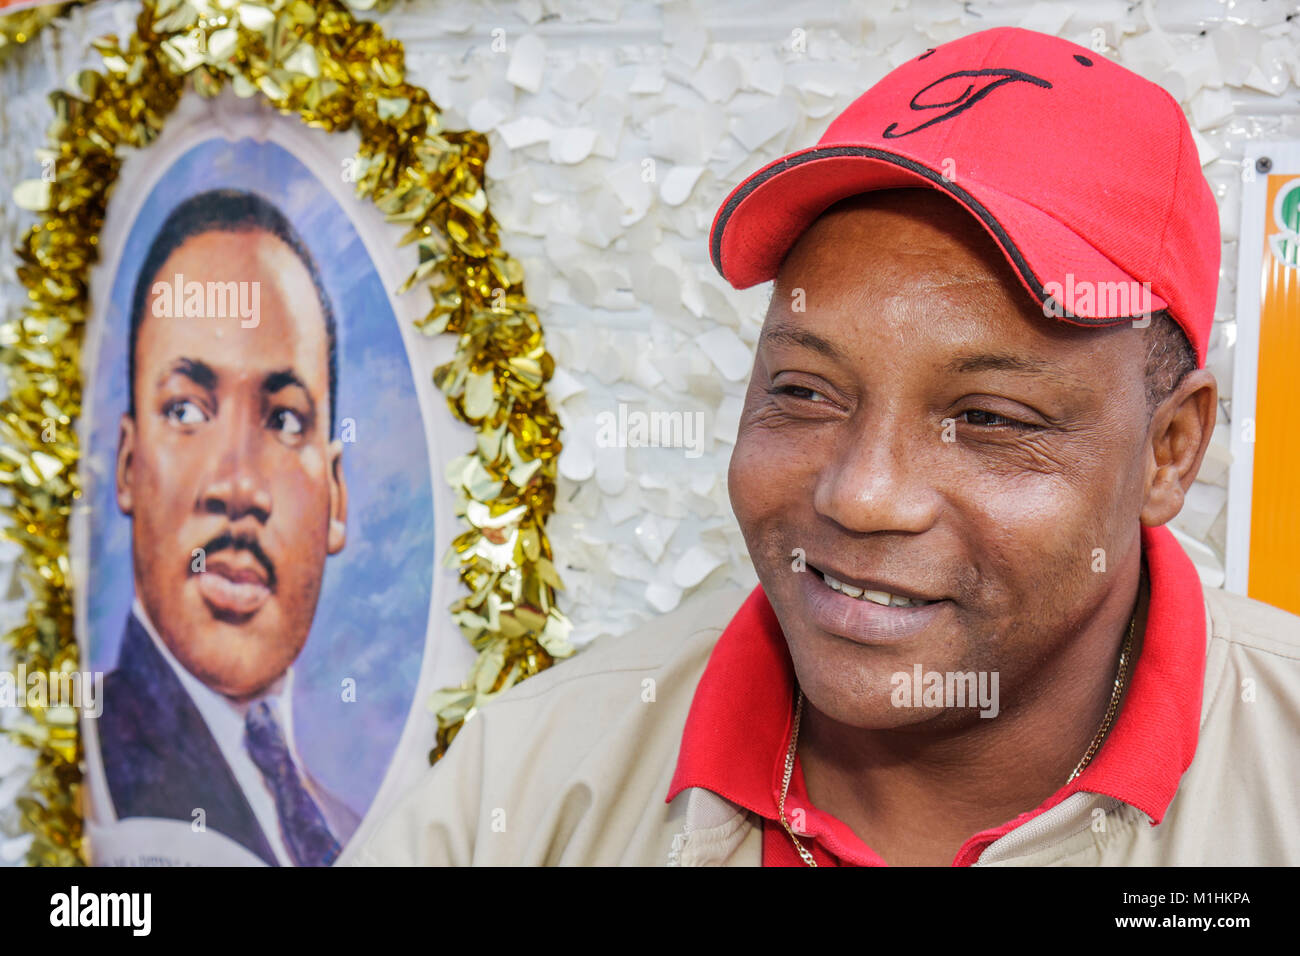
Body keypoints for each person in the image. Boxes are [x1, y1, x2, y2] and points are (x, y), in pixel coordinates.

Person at [350, 26, 1300, 866]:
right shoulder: (524, 784)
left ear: (1169, 450)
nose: (862, 496)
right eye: (804, 392)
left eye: (989, 418)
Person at [99, 189, 357, 866]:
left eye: (284, 420)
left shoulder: (360, 835)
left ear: (336, 499)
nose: (239, 486)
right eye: (186, 411)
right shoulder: (72, 769)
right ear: (127, 466)